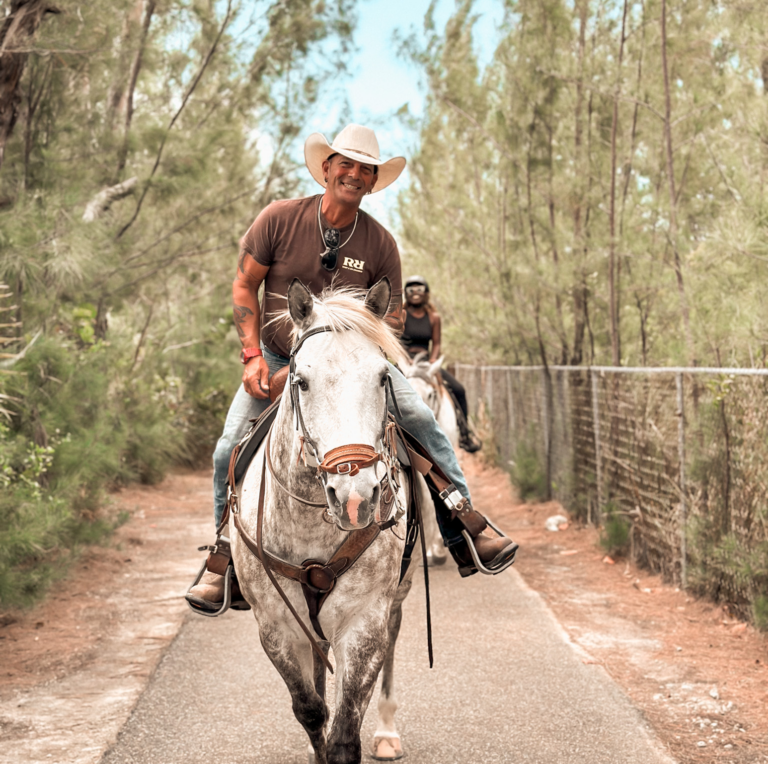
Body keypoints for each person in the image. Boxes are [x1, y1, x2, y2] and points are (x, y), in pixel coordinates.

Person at [187, 124, 517, 608]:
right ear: (326, 168)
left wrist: (358, 355)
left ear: (373, 181)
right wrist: (253, 355)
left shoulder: (381, 243)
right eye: (346, 163)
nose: (355, 174)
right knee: (226, 452)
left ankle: (466, 522)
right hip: (281, 358)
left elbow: (395, 316)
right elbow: (244, 287)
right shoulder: (278, 220)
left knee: (422, 419)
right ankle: (224, 559)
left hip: (357, 362)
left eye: (366, 169)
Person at [400, 275, 482, 453]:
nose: (415, 293)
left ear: (426, 293)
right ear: (406, 293)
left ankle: (465, 433)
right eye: (411, 289)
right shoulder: (401, 314)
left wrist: (432, 359)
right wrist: (406, 359)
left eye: (419, 289)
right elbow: (395, 340)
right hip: (404, 361)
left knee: (458, 389)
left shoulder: (433, 317)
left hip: (427, 363)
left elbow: (436, 343)